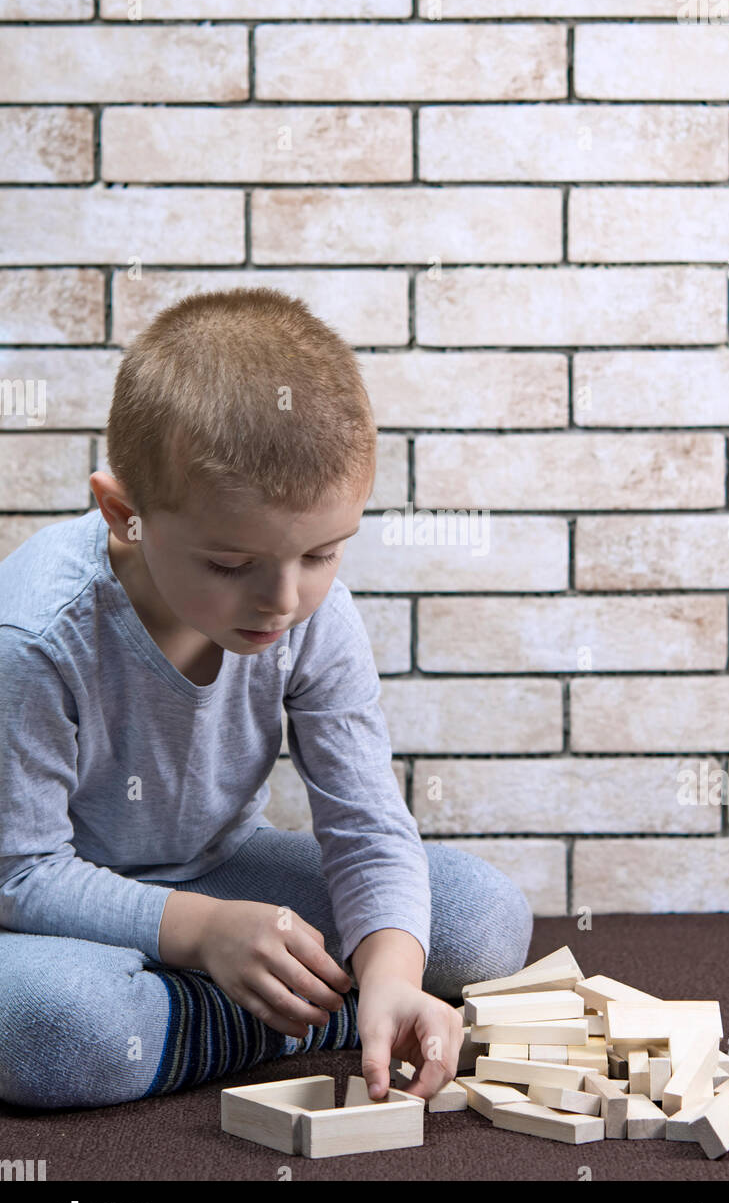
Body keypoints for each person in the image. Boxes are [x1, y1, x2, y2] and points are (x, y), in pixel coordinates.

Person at [0, 286, 533, 1111]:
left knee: (482, 919)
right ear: (123, 515)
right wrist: (205, 934)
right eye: (228, 565)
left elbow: (366, 823)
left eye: (322, 554)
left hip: (218, 870)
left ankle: (282, 1007)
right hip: (46, 910)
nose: (282, 602)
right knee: (67, 1027)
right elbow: (21, 874)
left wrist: (390, 972)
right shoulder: (36, 636)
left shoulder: (313, 613)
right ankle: (309, 1014)